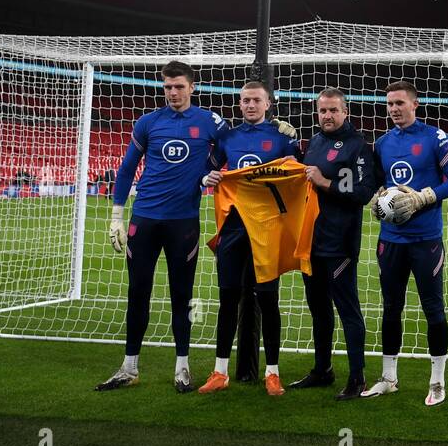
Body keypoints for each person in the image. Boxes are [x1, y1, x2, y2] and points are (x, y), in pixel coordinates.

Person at [98, 61, 227, 393]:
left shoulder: (209, 121)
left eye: (179, 86)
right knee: (137, 291)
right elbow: (127, 169)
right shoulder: (148, 123)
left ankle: (182, 367)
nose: (173, 92)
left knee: (181, 295)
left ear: (192, 87)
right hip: (145, 218)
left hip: (183, 221)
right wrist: (116, 215)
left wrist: (206, 170)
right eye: (168, 87)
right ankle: (129, 367)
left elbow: (234, 145)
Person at [362, 81, 448, 406]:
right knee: (391, 308)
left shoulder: (435, 138)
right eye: (390, 104)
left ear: (415, 104)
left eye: (400, 103)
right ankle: (388, 378)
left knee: (432, 308)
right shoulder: (382, 144)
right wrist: (376, 199)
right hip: (390, 241)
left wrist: (424, 197)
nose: (394, 109)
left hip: (425, 240)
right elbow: (375, 185)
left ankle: (437, 382)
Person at [198, 81, 300, 397]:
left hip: (266, 228)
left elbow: (298, 172)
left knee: (267, 299)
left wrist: (295, 139)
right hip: (232, 228)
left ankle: (272, 373)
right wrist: (208, 176)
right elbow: (208, 169)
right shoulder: (228, 137)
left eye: (256, 100)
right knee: (228, 299)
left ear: (268, 103)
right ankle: (220, 372)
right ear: (240, 104)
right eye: (245, 101)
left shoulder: (282, 137)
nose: (250, 105)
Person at [288, 87, 377, 400]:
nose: (327, 116)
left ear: (345, 112)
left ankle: (357, 378)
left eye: (333, 110)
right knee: (318, 311)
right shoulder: (314, 141)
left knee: (347, 310)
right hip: (311, 242)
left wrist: (324, 182)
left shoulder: (359, 147)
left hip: (340, 244)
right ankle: (322, 370)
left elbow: (365, 192)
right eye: (322, 110)